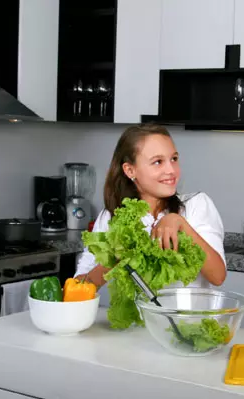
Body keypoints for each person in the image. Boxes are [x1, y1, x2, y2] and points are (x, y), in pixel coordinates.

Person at [75, 123, 227, 303]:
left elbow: (217, 276)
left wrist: (180, 224)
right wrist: (115, 259)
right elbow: (79, 285)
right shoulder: (111, 217)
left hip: (186, 328)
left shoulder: (196, 206)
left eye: (174, 159)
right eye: (158, 162)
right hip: (135, 330)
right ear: (130, 170)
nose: (171, 170)